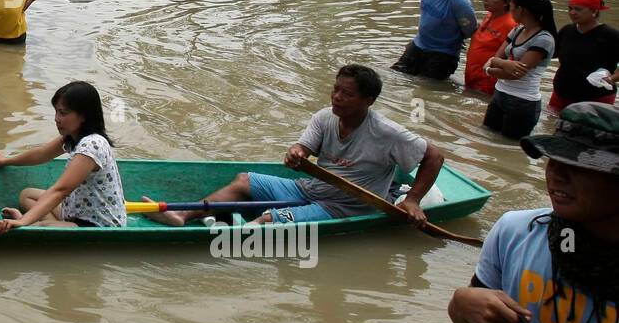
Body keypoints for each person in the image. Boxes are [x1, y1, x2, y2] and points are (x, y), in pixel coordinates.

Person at [448, 102, 619, 323]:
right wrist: (462, 305)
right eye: (553, 159)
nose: (557, 175)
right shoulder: (516, 232)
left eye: (581, 166)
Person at [145, 65, 443, 226]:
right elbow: (303, 148)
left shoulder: (386, 132)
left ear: (368, 101)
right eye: (335, 89)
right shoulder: (325, 117)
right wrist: (296, 153)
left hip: (346, 207)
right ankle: (182, 216)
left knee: (265, 221)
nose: (337, 97)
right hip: (309, 189)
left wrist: (413, 199)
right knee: (244, 180)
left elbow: (434, 156)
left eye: (347, 94)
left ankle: (232, 241)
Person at [0, 81, 127, 231]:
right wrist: (5, 161)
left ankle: (36, 224)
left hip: (98, 224)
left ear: (84, 116)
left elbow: (61, 190)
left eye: (63, 113)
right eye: (56, 111)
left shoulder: (92, 145)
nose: (56, 119)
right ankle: (41, 223)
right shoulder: (73, 137)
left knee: (43, 225)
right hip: (76, 210)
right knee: (27, 196)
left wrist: (23, 221)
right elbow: (41, 154)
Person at [482, 0, 556, 141]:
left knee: (508, 149)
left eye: (512, 7)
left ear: (521, 10)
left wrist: (492, 66)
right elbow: (495, 59)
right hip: (499, 95)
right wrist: (498, 63)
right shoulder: (517, 30)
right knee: (486, 140)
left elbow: (515, 73)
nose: (510, 11)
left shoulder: (544, 39)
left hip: (522, 103)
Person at [391, 0, 478, 80]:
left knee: (428, 87)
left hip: (443, 54)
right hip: (418, 44)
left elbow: (470, 30)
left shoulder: (461, 3)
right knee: (395, 76)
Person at [551, 0, 619, 112]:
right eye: (570, 8)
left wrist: (612, 79)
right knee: (554, 127)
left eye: (578, 9)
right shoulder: (567, 31)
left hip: (596, 99)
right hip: (561, 94)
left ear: (594, 11)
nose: (572, 12)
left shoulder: (611, 36)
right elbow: (551, 54)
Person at [465, 0, 516, 95]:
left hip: (487, 80)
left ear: (506, 2)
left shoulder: (510, 24)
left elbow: (512, 56)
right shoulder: (490, 15)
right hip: (472, 75)